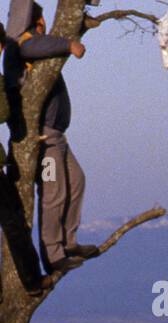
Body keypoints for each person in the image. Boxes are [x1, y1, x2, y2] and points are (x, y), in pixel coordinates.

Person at [4, 0, 96, 276]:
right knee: (53, 193)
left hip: (58, 137)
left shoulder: (35, 45)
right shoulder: (21, 45)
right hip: (44, 140)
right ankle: (53, 254)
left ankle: (69, 242)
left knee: (76, 181)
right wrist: (69, 45)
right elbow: (28, 45)